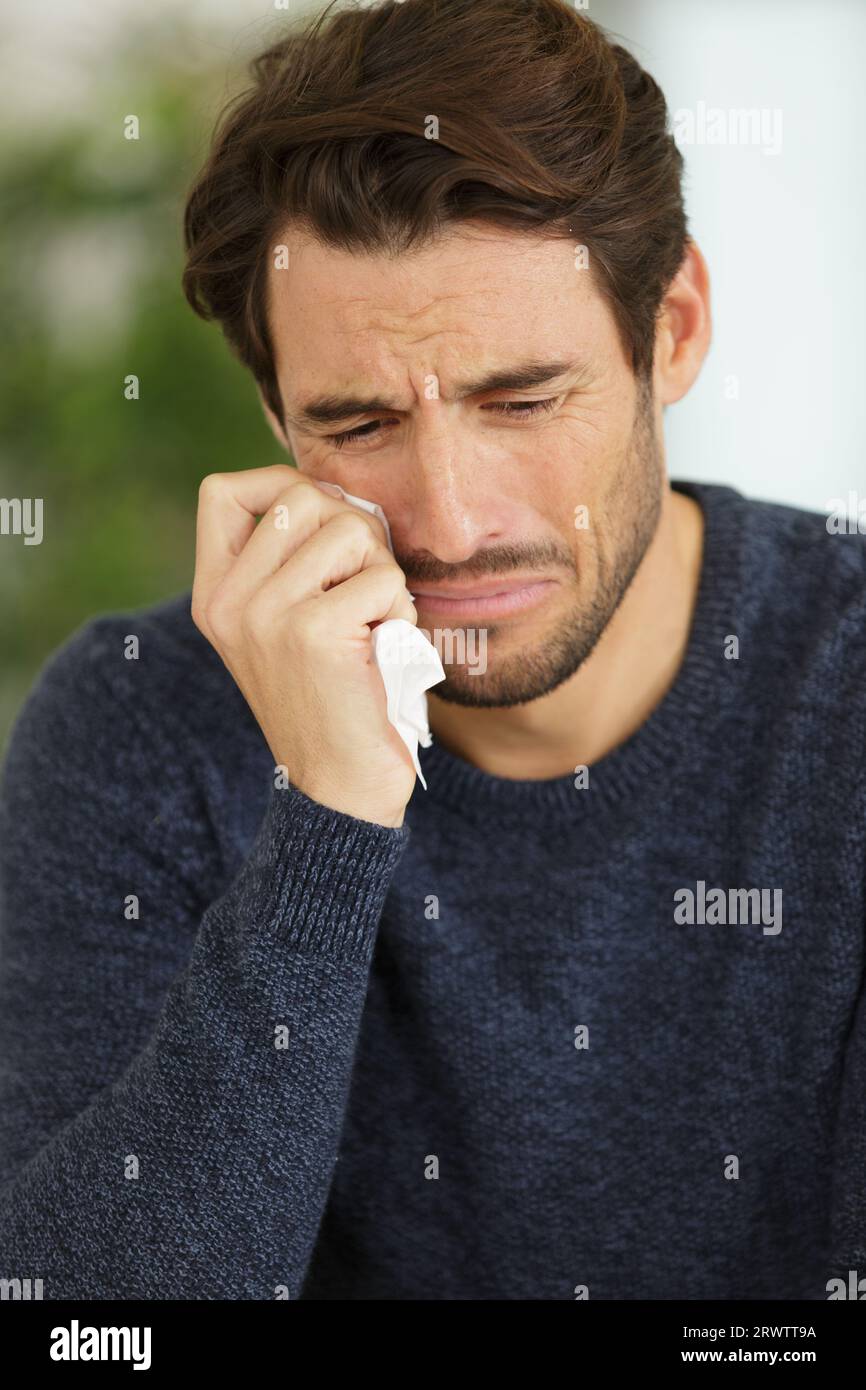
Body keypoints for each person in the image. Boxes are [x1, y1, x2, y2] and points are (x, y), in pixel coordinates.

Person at [1, 0, 864, 1301]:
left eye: (520, 400)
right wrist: (331, 815)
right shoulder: (140, 726)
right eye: (354, 423)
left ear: (672, 328)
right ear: (272, 415)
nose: (450, 524)